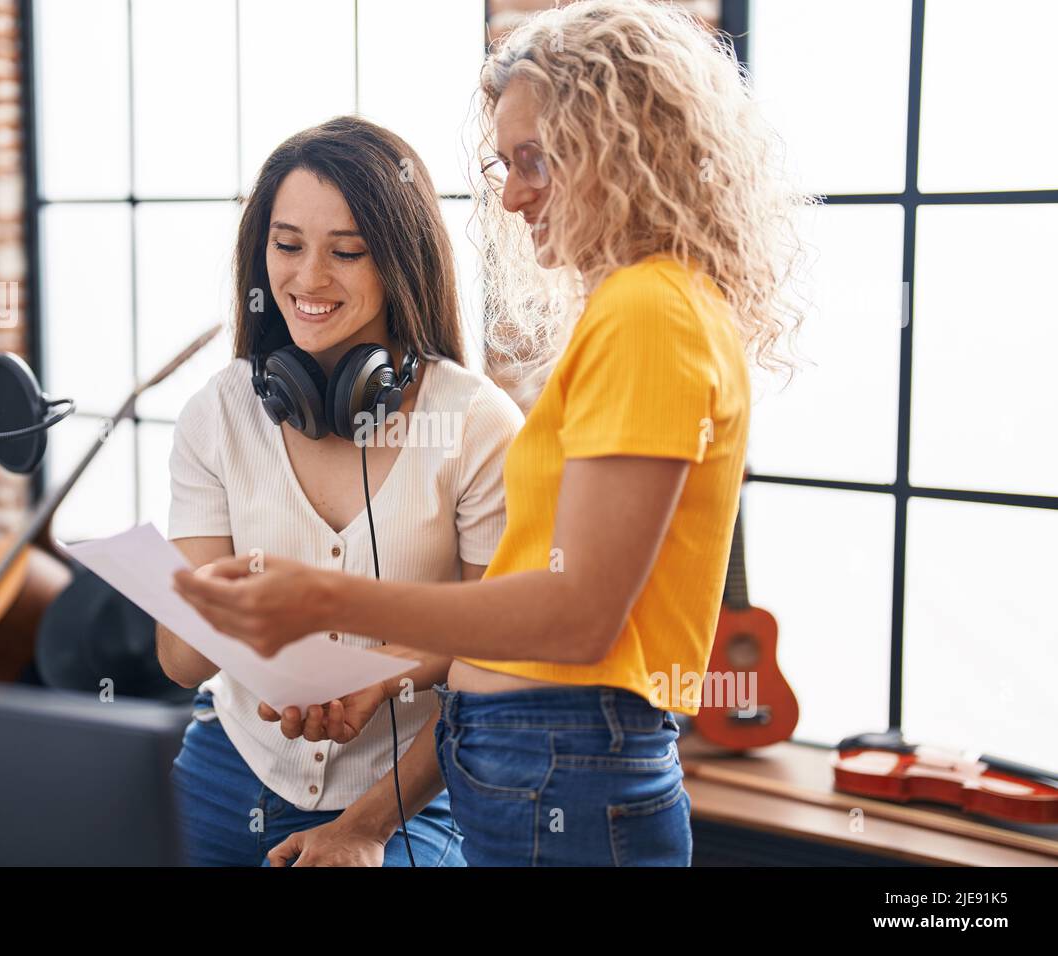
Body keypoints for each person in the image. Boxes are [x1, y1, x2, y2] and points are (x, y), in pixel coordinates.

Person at [172, 0, 807, 866]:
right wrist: (390, 675)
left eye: (535, 161)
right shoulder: (634, 307)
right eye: (505, 164)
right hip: (532, 764)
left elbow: (579, 613)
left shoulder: (650, 312)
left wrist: (327, 602)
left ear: (622, 146)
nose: (511, 195)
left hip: (565, 767)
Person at [157, 116, 524, 866]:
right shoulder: (217, 412)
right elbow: (182, 663)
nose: (308, 279)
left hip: (412, 789)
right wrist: (206, 618)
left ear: (400, 262)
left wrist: (368, 822)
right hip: (230, 769)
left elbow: (496, 647)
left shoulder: (476, 422)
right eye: (287, 245)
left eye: (347, 252)